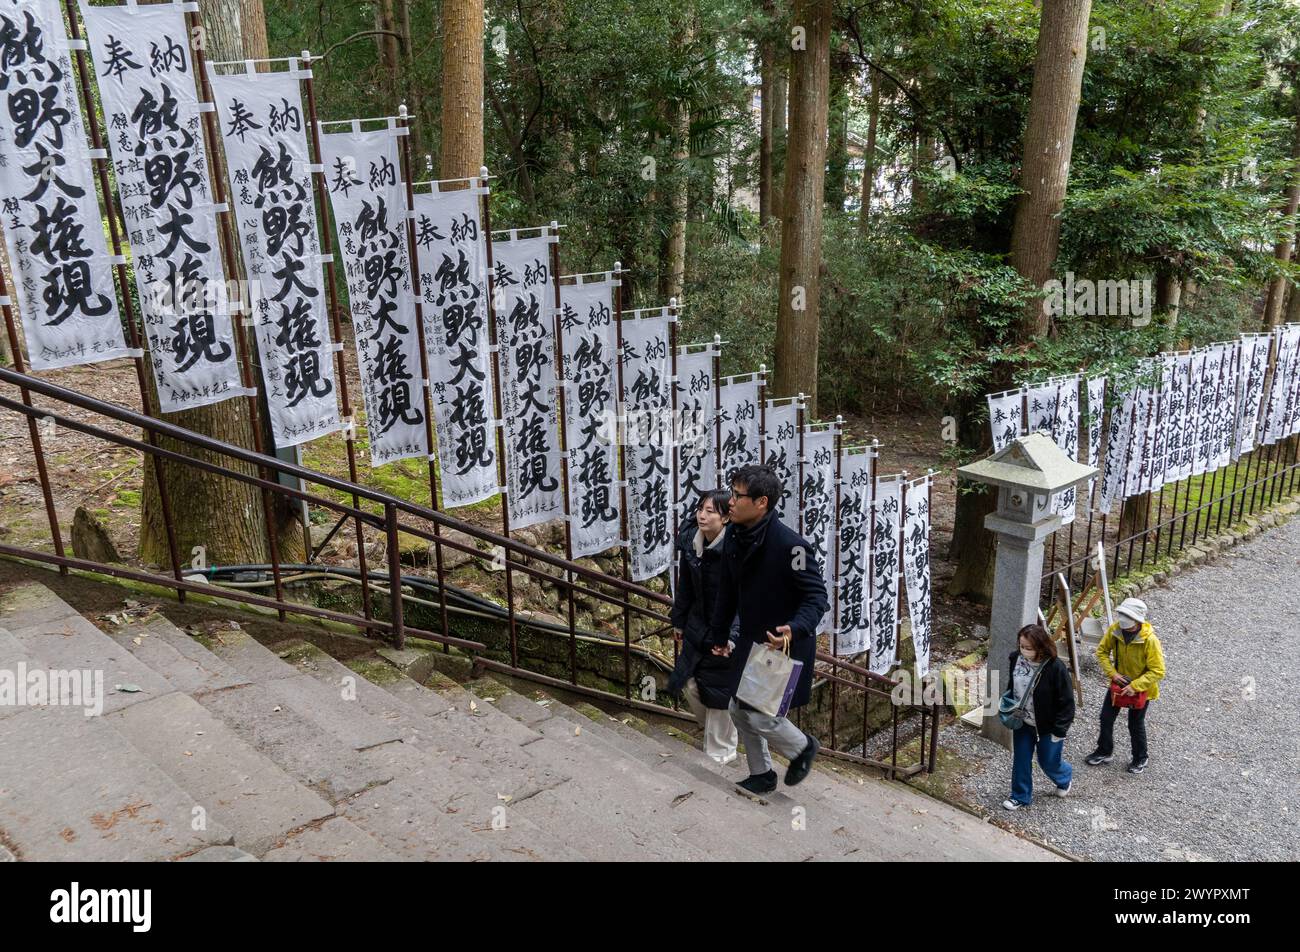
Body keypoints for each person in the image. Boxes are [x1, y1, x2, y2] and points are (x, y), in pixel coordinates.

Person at [708, 464, 829, 795]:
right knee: (737, 708)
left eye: (737, 496)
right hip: (752, 641)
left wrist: (793, 628)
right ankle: (761, 773)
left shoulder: (793, 548)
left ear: (761, 502)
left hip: (784, 645)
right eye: (730, 493)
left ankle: (802, 747)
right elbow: (728, 591)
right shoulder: (734, 535)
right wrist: (719, 636)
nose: (729, 502)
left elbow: (817, 597)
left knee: (761, 716)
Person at [667, 489, 740, 765]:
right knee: (689, 682)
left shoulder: (736, 552)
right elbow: (685, 585)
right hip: (698, 626)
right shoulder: (691, 542)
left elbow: (743, 600)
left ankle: (722, 752)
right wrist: (679, 620)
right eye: (701, 508)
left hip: (727, 632)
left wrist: (732, 637)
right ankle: (714, 739)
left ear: (725, 518)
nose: (702, 515)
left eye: (711, 511)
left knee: (720, 693)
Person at [1086, 597, 1165, 774]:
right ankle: (1104, 750)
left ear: (1137, 620)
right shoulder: (1115, 630)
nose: (1123, 622)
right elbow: (1102, 651)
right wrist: (1113, 674)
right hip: (1118, 683)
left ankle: (1140, 757)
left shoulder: (1150, 641)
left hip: (1141, 690)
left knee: (1135, 723)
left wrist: (1135, 685)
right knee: (1106, 717)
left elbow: (1158, 670)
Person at [1002, 623, 1075, 811]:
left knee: (1048, 761)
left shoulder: (1055, 668)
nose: (1024, 651)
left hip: (1048, 725)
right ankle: (1020, 795)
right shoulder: (1015, 658)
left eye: (1028, 648)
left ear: (1041, 646)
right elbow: (1012, 686)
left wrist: (1060, 729)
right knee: (1021, 758)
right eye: (1021, 646)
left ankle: (1064, 776)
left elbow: (1067, 702)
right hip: (1023, 720)